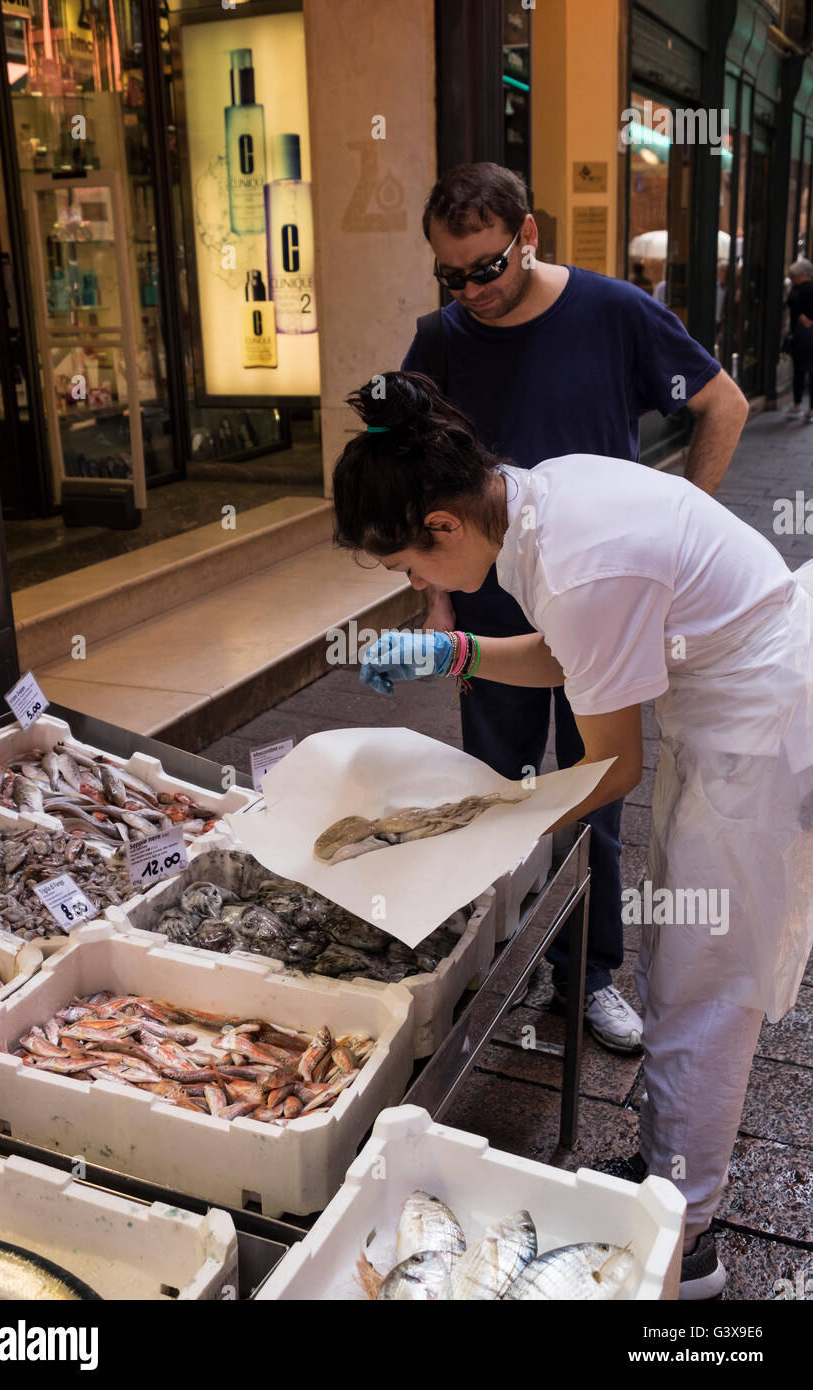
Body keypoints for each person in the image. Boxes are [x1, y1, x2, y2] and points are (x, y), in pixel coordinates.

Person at [333, 370, 813, 1300]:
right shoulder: (532, 498)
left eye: (409, 571)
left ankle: (691, 1239)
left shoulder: (577, 559)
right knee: (684, 957)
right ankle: (670, 1171)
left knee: (709, 981)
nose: (418, 588)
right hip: (723, 707)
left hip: (761, 724)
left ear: (442, 525)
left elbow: (610, 769)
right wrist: (458, 649)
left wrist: (465, 831)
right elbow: (581, 653)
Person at [402, 163, 748, 1055]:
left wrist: (685, 527)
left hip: (602, 602)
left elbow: (723, 403)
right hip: (491, 601)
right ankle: (480, 961)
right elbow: (414, 486)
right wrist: (441, 610)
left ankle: (584, 977)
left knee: (593, 792)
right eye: (451, 274)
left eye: (486, 267)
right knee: (494, 789)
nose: (470, 290)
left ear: (531, 235)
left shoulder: (612, 311)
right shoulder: (441, 341)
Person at [784, 258, 813, 420]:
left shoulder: (797, 291)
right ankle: (811, 409)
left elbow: (796, 310)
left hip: (802, 334)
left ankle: (797, 404)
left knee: (799, 370)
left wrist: (804, 320)